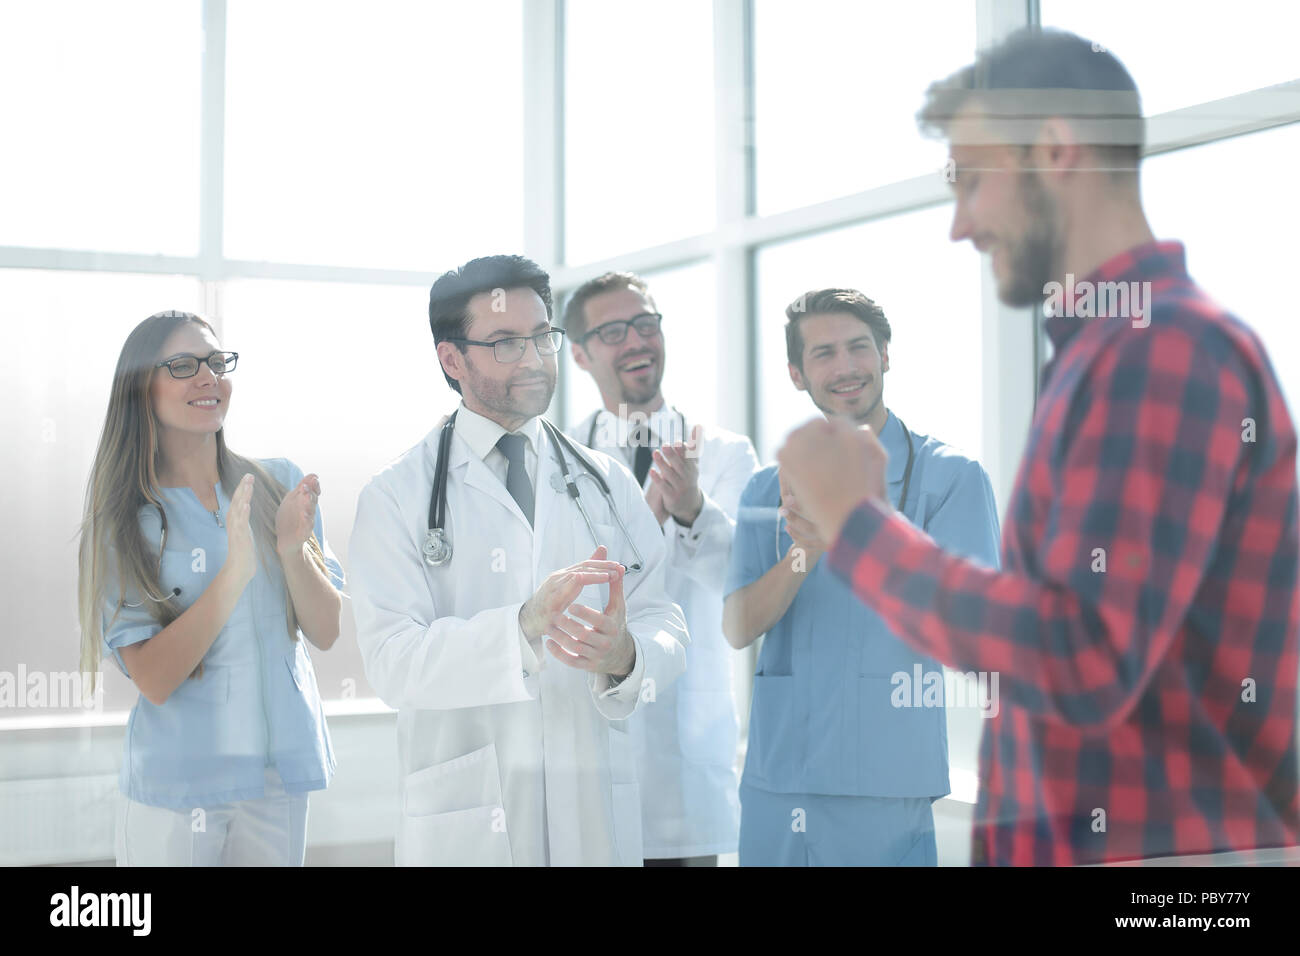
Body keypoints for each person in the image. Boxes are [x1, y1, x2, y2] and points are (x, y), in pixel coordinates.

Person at [777, 28, 1300, 865]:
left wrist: (858, 526)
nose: (959, 225)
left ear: (1055, 149)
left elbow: (1083, 657)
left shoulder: (1159, 348)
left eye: (973, 180)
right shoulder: (1113, 351)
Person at [348, 254, 688, 866]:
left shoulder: (605, 480)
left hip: (591, 819)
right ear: (452, 359)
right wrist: (520, 628)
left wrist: (627, 656)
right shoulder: (396, 496)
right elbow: (392, 662)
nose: (533, 359)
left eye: (541, 337)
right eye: (506, 343)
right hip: (470, 822)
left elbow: (663, 616)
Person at [722, 288, 1001, 865]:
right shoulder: (764, 489)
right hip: (779, 782)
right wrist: (807, 553)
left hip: (886, 785)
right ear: (797, 374)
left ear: (885, 356)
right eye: (823, 354)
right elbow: (737, 625)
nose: (845, 367)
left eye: (858, 348)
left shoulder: (950, 476)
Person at [77, 309, 345, 866]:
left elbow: (325, 630)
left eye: (216, 362)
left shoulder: (279, 483)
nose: (207, 377)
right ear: (140, 389)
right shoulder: (126, 518)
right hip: (179, 787)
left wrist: (293, 553)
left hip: (276, 779)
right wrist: (233, 577)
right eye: (181, 366)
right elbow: (152, 678)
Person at [565, 271, 758, 866]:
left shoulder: (723, 453)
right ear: (580, 352)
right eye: (615, 331)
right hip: (589, 745)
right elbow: (560, 595)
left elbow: (745, 586)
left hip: (684, 748)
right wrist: (646, 529)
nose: (637, 342)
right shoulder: (562, 461)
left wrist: (694, 510)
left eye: (646, 324)